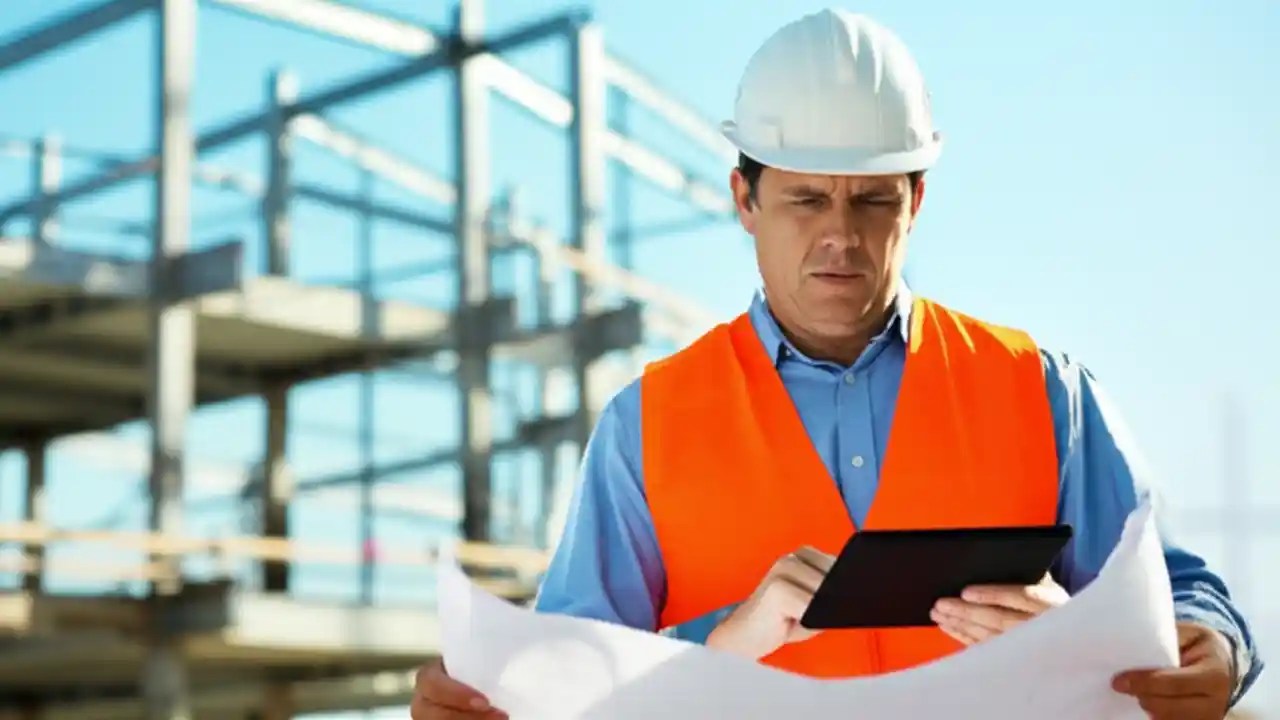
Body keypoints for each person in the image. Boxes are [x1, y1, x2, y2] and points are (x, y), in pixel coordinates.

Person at [413, 8, 1262, 719]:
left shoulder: (1042, 391)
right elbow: (572, 679)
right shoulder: (649, 427)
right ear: (744, 200)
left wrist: (1204, 646)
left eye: (874, 200)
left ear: (916, 200)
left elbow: (1177, 597)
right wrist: (719, 641)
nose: (840, 237)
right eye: (806, 199)